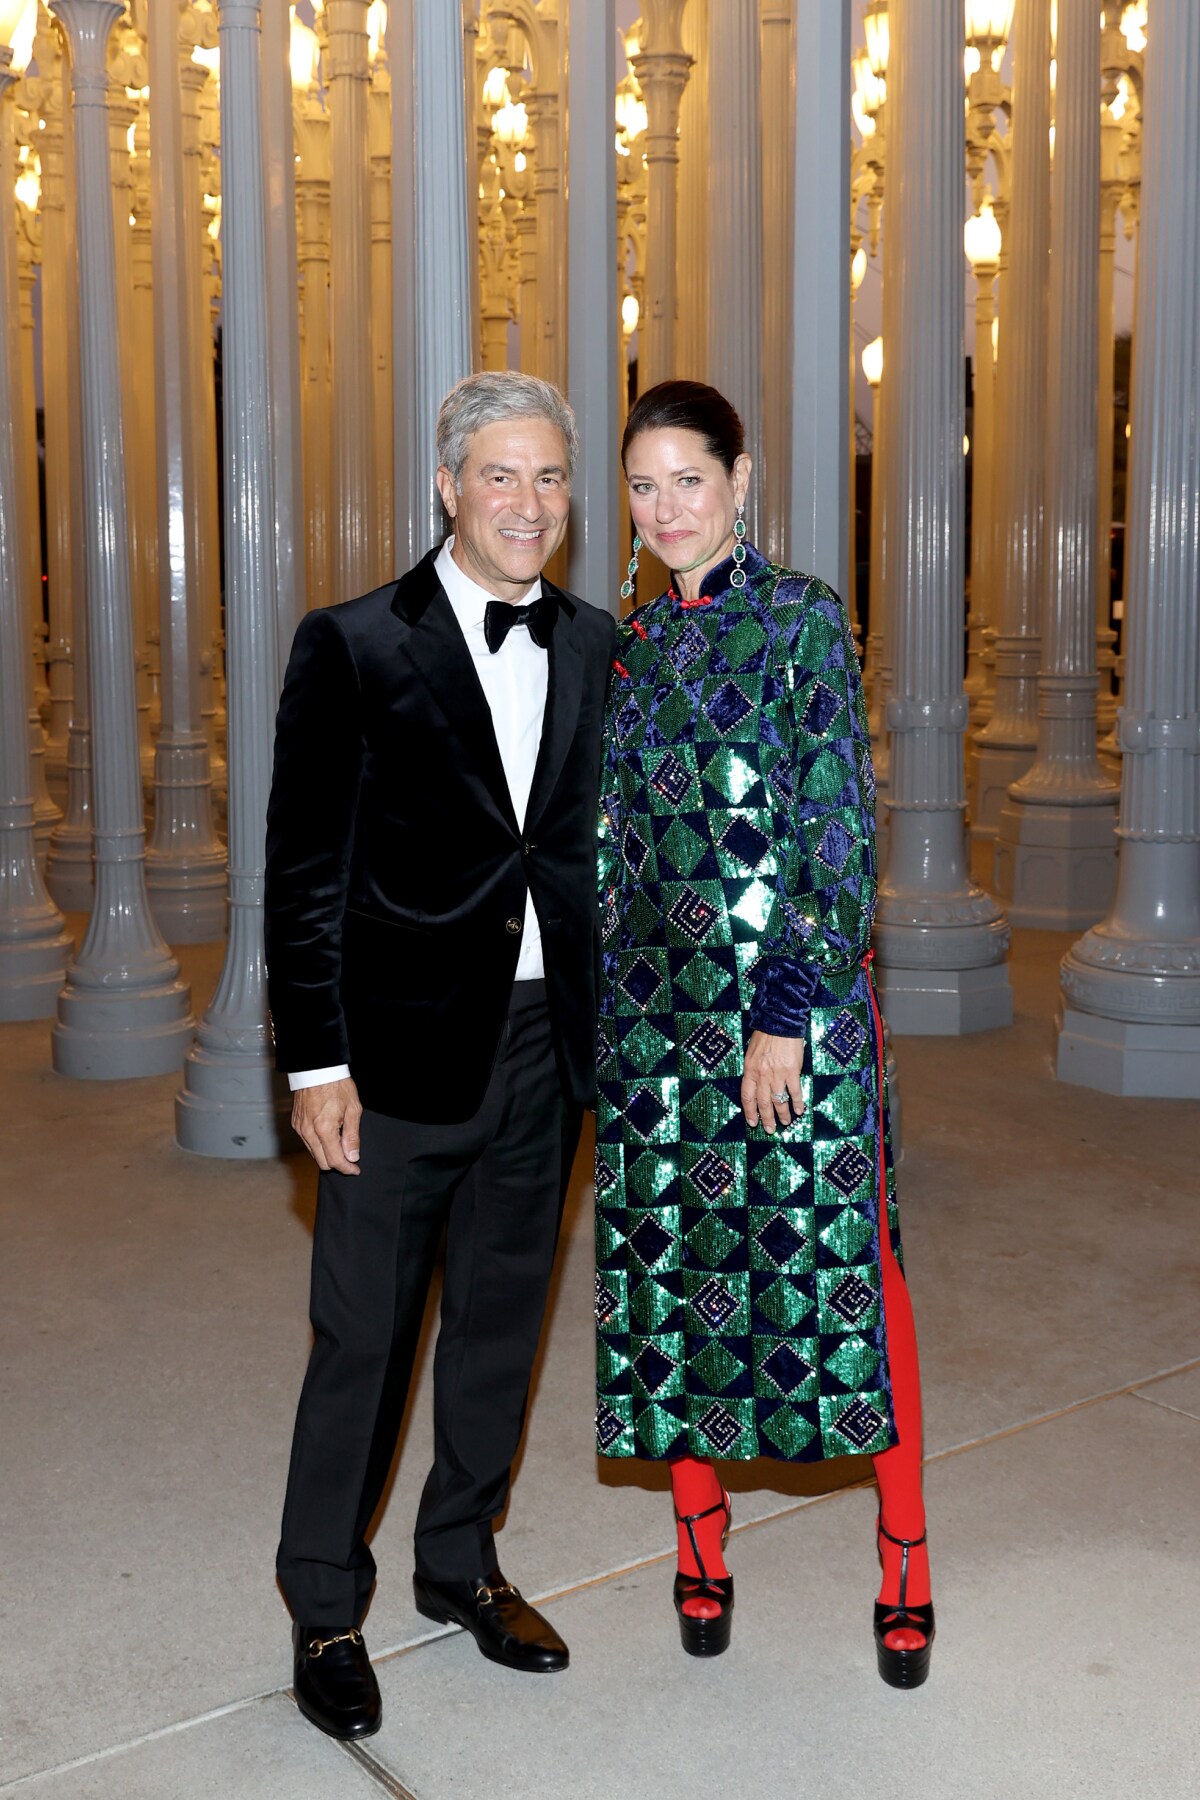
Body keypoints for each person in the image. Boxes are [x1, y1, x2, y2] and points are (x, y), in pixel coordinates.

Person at [266, 370, 616, 1740]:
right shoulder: (353, 643)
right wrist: (314, 1064)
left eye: (549, 479)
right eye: (500, 477)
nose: (527, 504)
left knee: (497, 1330)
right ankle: (322, 1605)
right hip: (394, 1055)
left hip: (544, 1049)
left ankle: (459, 1562)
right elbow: (303, 874)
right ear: (446, 486)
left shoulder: (596, 644)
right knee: (363, 1339)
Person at [594, 380, 934, 1688]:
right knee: (675, 1284)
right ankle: (699, 1539)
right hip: (658, 1028)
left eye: (689, 477)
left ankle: (904, 1553)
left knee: (858, 1283)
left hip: (797, 1013)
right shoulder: (625, 643)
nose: (666, 507)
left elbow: (838, 833)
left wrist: (786, 1009)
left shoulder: (802, 623)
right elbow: (613, 845)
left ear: (741, 478)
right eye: (643, 484)